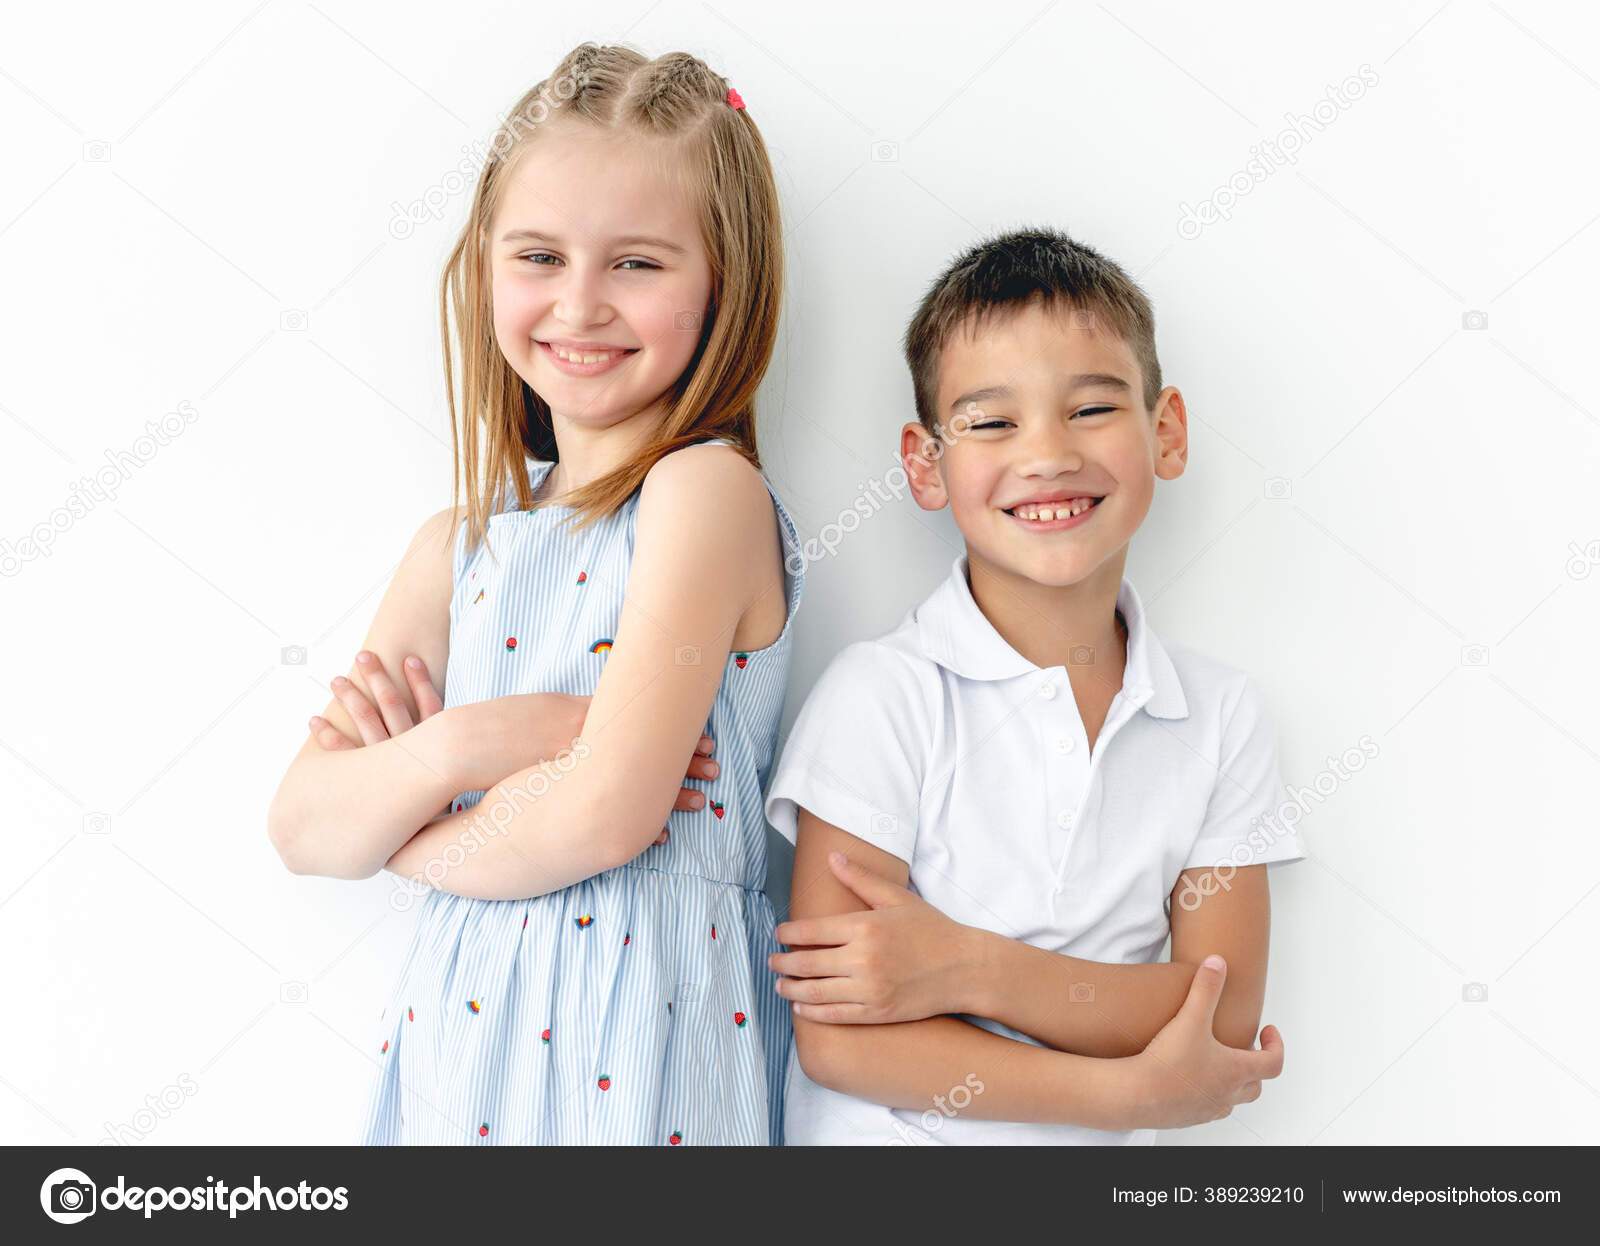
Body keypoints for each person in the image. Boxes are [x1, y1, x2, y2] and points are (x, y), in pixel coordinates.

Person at [268, 42, 800, 1145]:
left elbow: (604, 815)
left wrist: (407, 839)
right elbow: (307, 825)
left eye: (638, 264)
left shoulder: (702, 495)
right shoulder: (457, 547)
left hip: (644, 1029)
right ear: (487, 269)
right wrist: (466, 747)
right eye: (540, 256)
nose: (580, 303)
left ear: (723, 282)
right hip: (461, 1047)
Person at [764, 227, 1306, 1145]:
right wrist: (1127, 1092)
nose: (1048, 453)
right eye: (991, 421)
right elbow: (841, 1041)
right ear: (926, 463)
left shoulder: (1218, 716)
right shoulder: (884, 697)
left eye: (1092, 409)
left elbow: (1216, 1018)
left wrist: (966, 969)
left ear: (1164, 430)